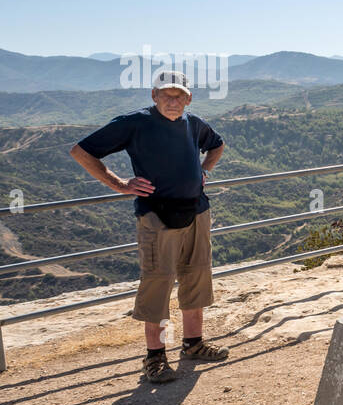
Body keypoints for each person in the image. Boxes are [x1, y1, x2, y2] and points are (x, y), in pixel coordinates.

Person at [70, 69, 229, 384]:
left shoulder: (194, 124)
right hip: (156, 216)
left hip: (197, 210)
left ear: (189, 99)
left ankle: (193, 344)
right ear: (154, 95)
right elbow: (81, 151)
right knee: (158, 282)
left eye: (179, 95)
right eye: (167, 95)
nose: (173, 101)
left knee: (197, 275)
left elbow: (218, 146)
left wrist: (204, 170)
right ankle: (154, 357)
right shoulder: (135, 123)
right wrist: (118, 184)